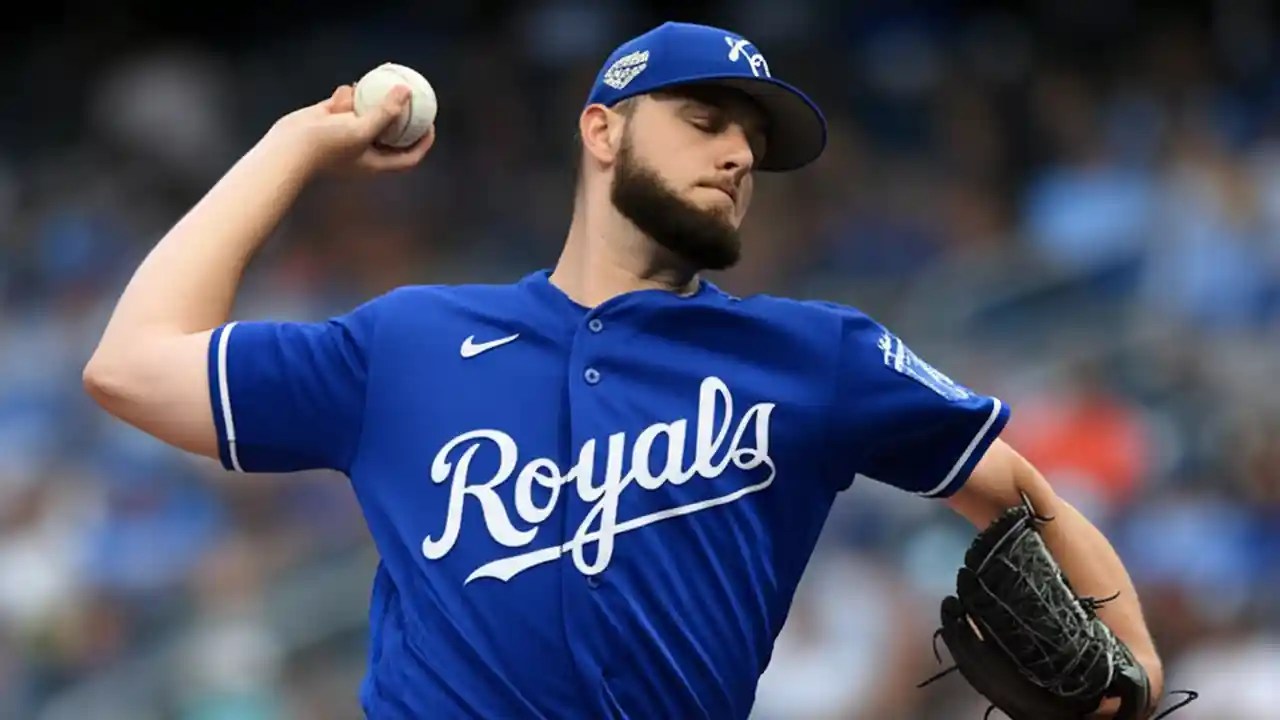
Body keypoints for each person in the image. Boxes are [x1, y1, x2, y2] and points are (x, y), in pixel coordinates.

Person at [84, 20, 1166, 719]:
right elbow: (131, 366)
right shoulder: (406, 343)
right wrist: (294, 146)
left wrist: (1138, 672)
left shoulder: (814, 355)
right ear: (601, 130)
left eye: (751, 139)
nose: (737, 153)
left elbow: (1018, 492)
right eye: (703, 122)